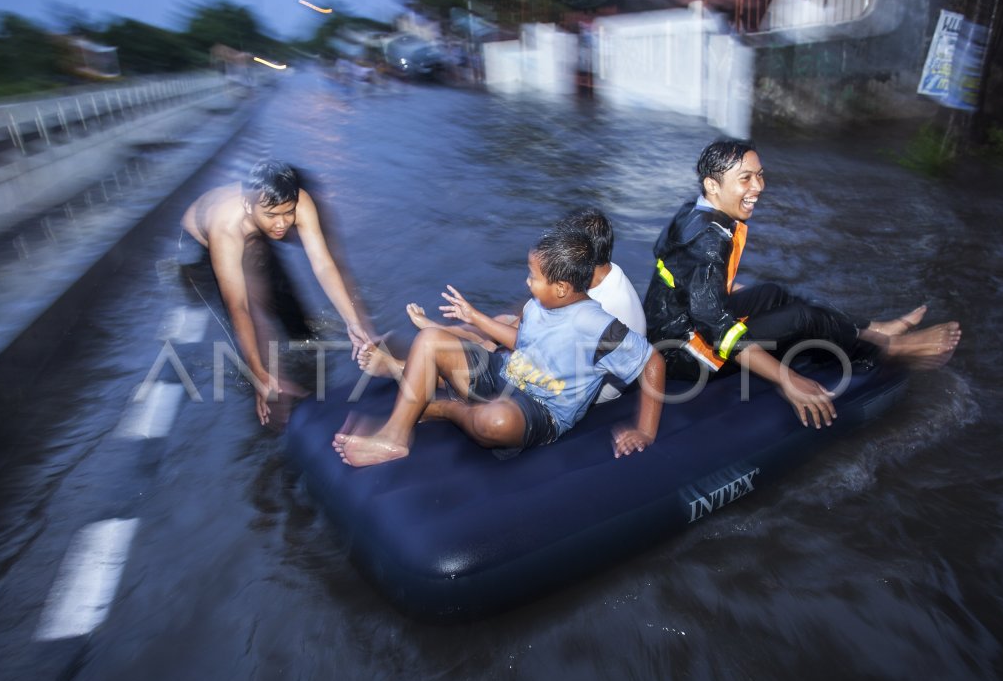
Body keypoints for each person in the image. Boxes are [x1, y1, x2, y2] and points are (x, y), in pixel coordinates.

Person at [643, 138, 962, 429]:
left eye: (759, 174)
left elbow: (690, 281)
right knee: (801, 318)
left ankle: (874, 328)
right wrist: (788, 380)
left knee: (773, 293)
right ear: (713, 186)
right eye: (746, 178)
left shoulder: (698, 211)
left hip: (679, 323)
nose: (759, 186)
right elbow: (718, 330)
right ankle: (889, 348)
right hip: (682, 352)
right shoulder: (708, 241)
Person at [332, 224, 666, 467]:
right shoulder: (540, 305)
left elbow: (653, 362)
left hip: (541, 410)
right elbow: (523, 342)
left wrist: (644, 430)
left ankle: (444, 408)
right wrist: (472, 320)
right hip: (504, 373)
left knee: (496, 423)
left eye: (534, 277)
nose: (527, 282)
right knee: (431, 339)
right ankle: (393, 437)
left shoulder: (597, 325)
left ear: (562, 288)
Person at [181, 160, 374, 426]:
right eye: (273, 215)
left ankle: (305, 367)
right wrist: (259, 372)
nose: (283, 224)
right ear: (249, 205)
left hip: (256, 233)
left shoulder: (296, 202)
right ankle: (268, 390)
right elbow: (239, 307)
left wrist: (353, 321)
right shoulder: (225, 228)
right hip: (203, 241)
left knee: (289, 306)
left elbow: (323, 263)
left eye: (288, 213)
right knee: (254, 306)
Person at [384, 207, 647, 403]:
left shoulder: (605, 308)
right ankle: (457, 337)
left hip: (586, 388)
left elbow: (538, 350)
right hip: (563, 350)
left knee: (488, 364)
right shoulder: (598, 274)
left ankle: (403, 368)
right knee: (502, 320)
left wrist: (486, 334)